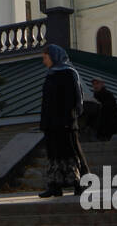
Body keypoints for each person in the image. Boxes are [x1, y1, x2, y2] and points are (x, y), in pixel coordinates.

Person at [38, 43, 89, 197]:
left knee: (70, 152)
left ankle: (79, 183)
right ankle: (55, 185)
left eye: (45, 57)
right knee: (54, 154)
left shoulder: (69, 73)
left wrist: (69, 117)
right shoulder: (50, 74)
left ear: (53, 56)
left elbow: (75, 98)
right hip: (51, 123)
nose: (44, 61)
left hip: (66, 122)